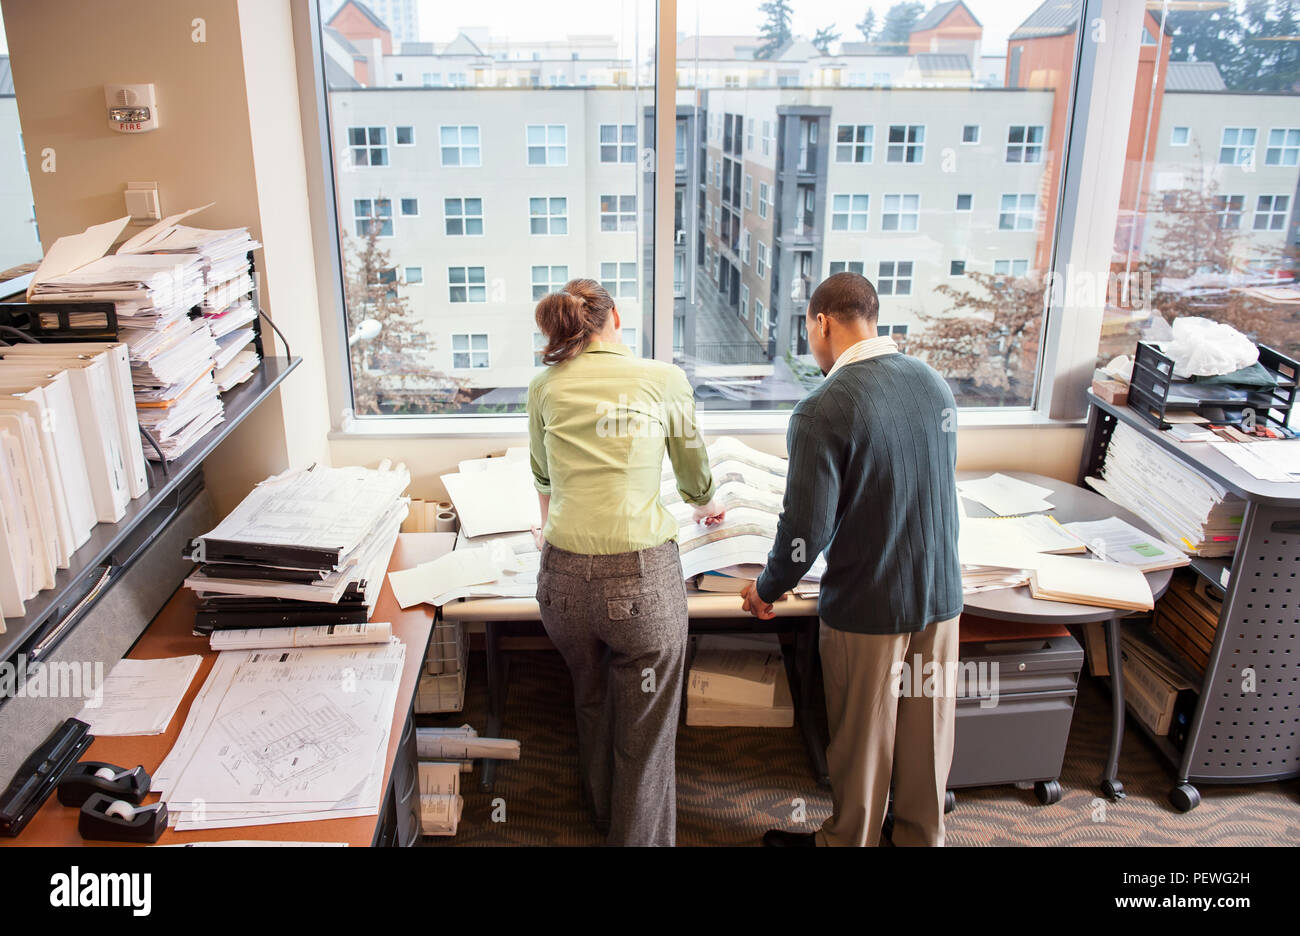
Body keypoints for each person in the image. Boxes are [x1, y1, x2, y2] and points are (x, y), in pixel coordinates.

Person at [739, 271, 963, 847]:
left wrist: (767, 588)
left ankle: (850, 841)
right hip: (940, 595)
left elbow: (803, 532)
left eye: (809, 330)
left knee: (864, 738)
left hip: (871, 601)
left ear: (823, 322)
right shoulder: (932, 382)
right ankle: (919, 836)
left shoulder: (824, 407)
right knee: (926, 731)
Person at [528, 278, 723, 847]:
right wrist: (709, 505)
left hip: (562, 582)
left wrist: (551, 526)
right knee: (646, 731)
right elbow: (692, 471)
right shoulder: (661, 379)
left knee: (591, 698)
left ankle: (601, 816)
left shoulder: (544, 386)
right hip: (641, 583)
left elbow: (543, 477)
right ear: (617, 319)